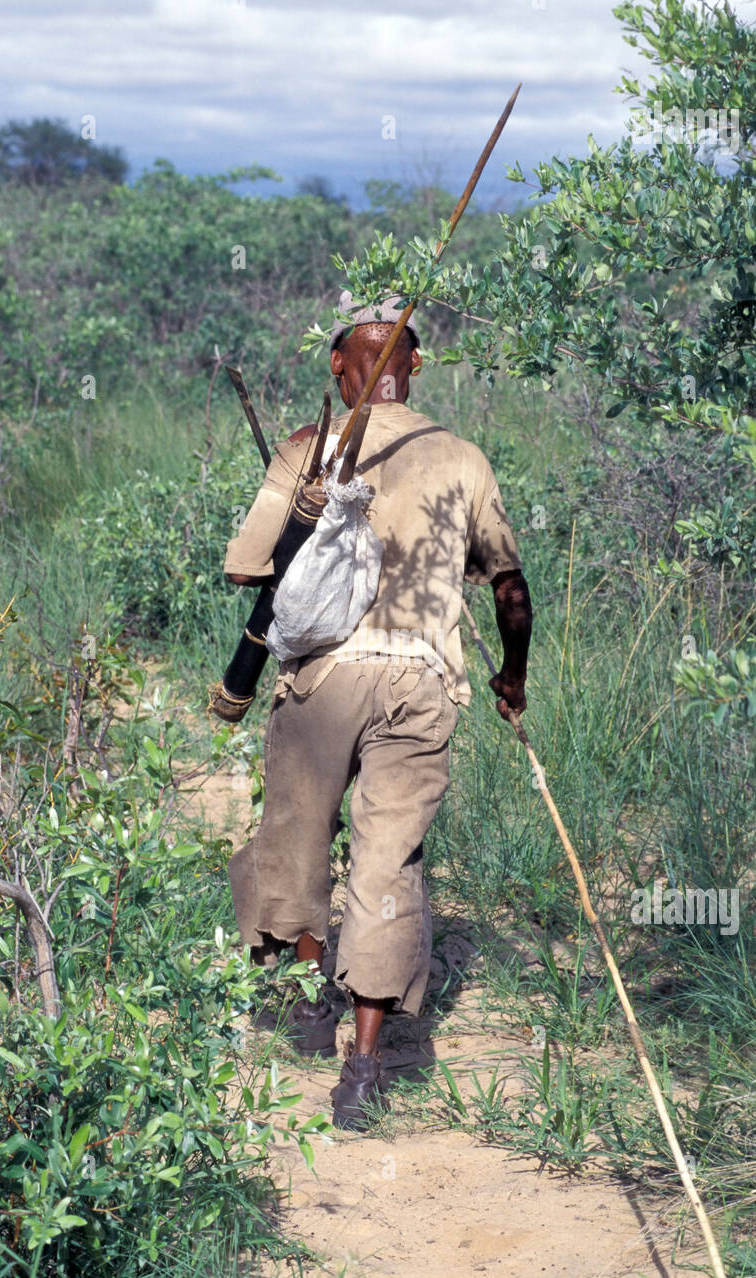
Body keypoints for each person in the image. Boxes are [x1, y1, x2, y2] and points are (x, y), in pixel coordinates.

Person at [224, 292, 531, 1129]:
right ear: (413, 365)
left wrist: (306, 520)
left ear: (339, 363)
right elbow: (509, 587)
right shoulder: (461, 456)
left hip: (323, 681)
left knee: (297, 836)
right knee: (386, 861)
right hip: (421, 684)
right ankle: (362, 1070)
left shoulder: (307, 449)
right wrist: (513, 678)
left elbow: (251, 571)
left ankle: (307, 1001)